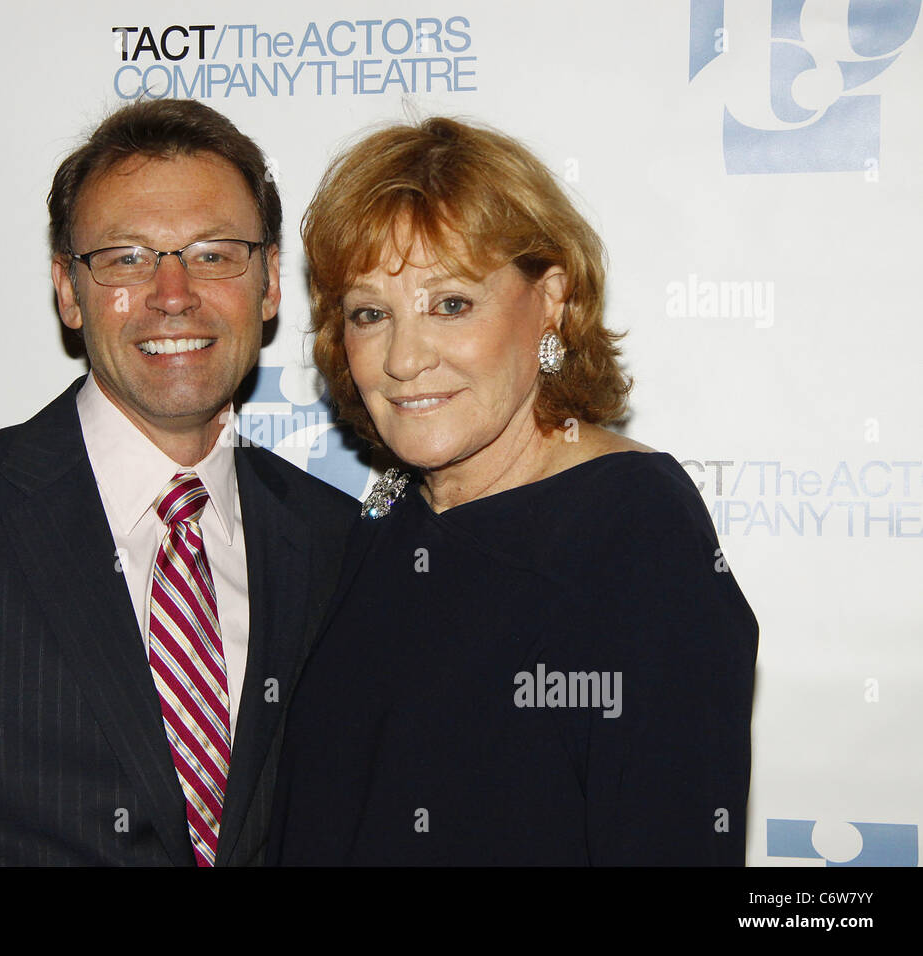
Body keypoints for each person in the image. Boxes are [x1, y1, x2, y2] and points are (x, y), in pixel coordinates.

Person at [0, 99, 357, 866]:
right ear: (67, 289)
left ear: (269, 284)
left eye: (215, 253)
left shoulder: (336, 540)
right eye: (126, 257)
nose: (173, 292)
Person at [267, 117, 758, 865]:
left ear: (552, 299)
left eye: (451, 304)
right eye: (371, 314)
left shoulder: (635, 532)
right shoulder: (386, 516)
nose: (404, 358)